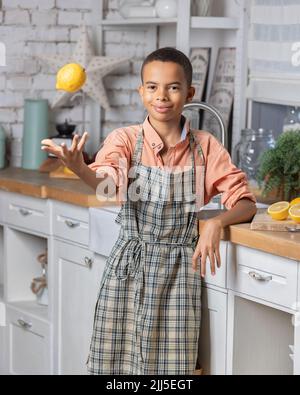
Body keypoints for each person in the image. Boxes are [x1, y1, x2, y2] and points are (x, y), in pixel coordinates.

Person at [41, 47, 257, 375]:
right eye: (153, 87)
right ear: (142, 92)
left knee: (170, 372)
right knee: (116, 367)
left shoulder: (207, 147)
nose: (163, 96)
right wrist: (79, 168)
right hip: (129, 265)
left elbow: (245, 202)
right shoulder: (126, 139)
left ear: (189, 93)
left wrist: (215, 224)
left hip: (179, 273)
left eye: (173, 87)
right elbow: (109, 184)